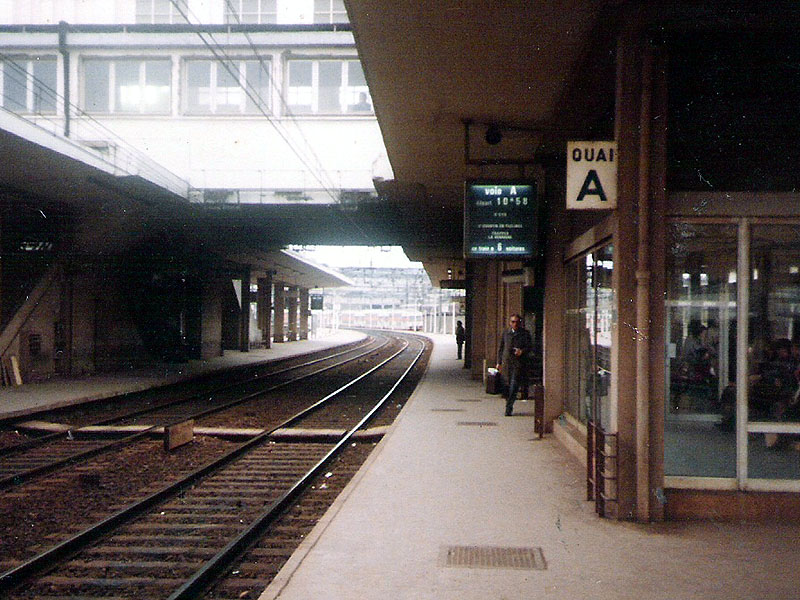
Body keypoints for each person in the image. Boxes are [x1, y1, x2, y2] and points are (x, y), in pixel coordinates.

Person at [496, 314, 533, 416]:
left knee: (514, 386)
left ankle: (509, 406)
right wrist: (499, 362)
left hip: (518, 364)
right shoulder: (506, 333)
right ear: (510, 322)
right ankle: (508, 402)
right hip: (507, 363)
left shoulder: (525, 334)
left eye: (517, 322)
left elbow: (530, 347)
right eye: (513, 322)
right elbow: (501, 348)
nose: (515, 324)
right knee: (506, 386)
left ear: (520, 323)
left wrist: (522, 351)